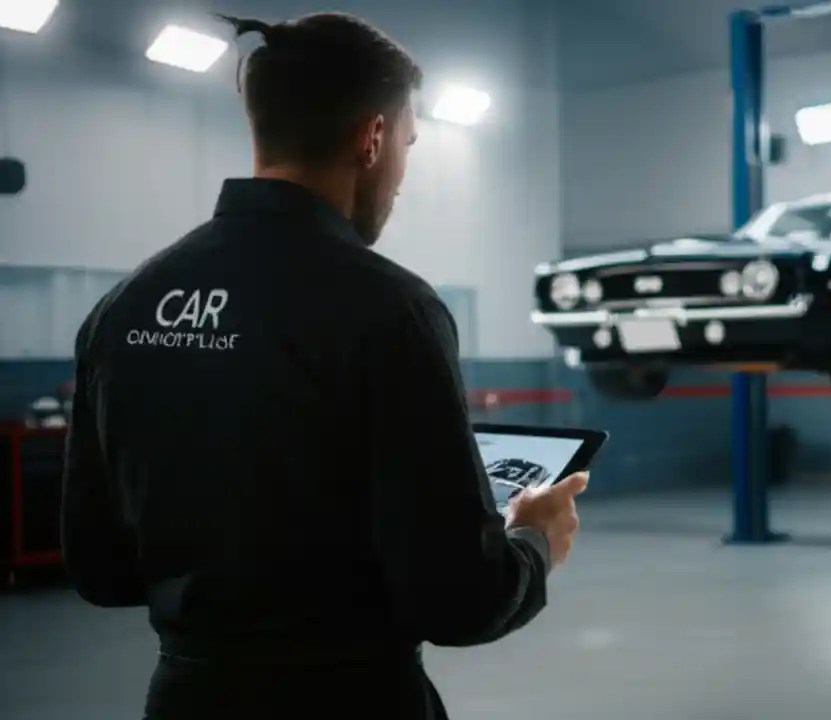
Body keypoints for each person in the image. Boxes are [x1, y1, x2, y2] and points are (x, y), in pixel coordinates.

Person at [59, 12, 587, 720]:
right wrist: (533, 539)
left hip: (187, 699)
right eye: (406, 143)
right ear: (372, 138)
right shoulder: (390, 309)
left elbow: (100, 567)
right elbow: (463, 600)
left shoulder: (126, 305)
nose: (400, 172)